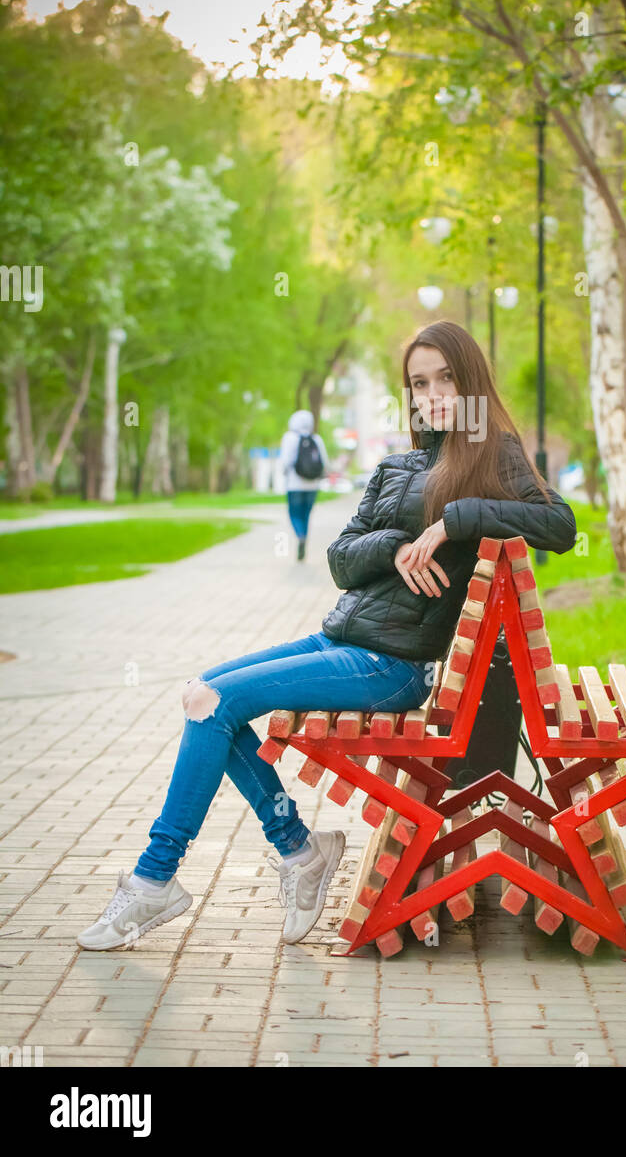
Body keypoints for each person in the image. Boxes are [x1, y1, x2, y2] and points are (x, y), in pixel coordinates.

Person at [77, 321, 577, 952]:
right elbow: (340, 560)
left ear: (470, 381)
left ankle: (155, 882)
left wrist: (455, 520)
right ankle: (298, 850)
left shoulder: (493, 456)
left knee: (216, 705)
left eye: (446, 378)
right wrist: (397, 545)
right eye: (419, 384)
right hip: (340, 642)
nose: (433, 394)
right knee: (202, 696)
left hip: (391, 667)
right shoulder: (397, 466)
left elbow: (559, 525)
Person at [278, 409, 329, 561]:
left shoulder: (289, 438)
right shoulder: (316, 439)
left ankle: (300, 536)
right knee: (306, 515)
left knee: (294, 514)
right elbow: (325, 463)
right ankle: (304, 538)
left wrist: (284, 474)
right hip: (312, 486)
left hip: (294, 485)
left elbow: (285, 462)